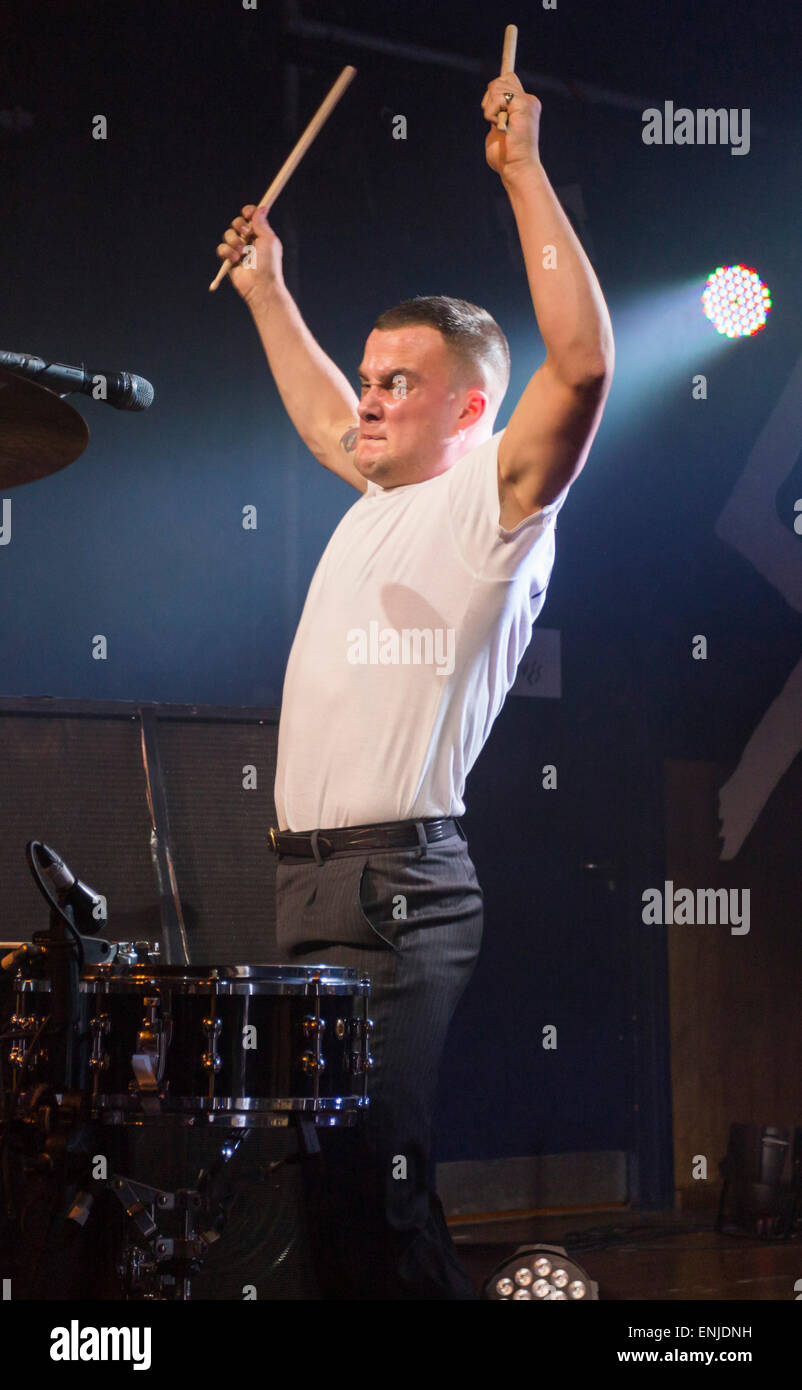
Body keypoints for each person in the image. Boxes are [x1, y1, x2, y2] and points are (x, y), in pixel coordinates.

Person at [216, 72, 613, 1299]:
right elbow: (324, 415)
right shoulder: (382, 497)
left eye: (399, 381)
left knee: (372, 1189)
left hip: (399, 888)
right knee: (331, 1190)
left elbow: (586, 363)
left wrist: (520, 170)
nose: (370, 397)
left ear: (473, 408)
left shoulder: (490, 507)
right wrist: (269, 290)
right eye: (371, 375)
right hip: (312, 878)